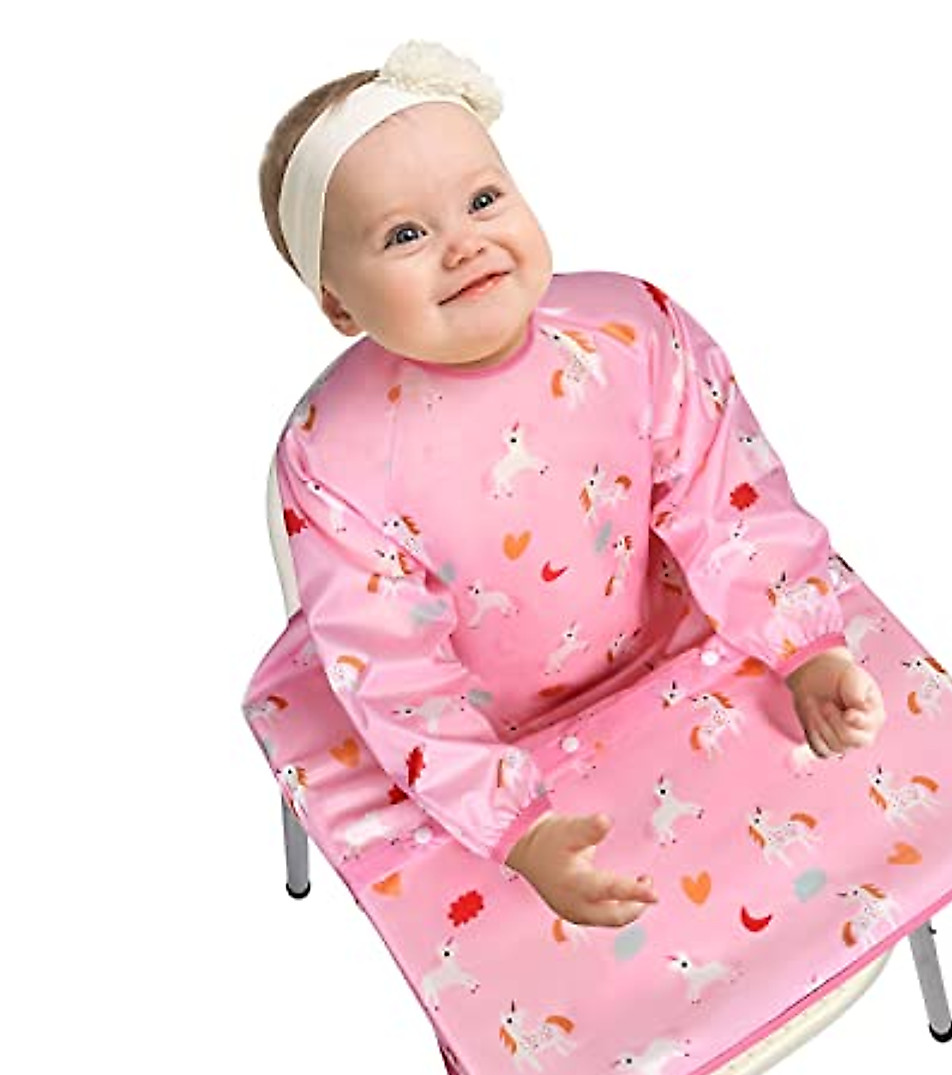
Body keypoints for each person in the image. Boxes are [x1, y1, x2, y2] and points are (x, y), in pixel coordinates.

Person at [257, 39, 886, 930]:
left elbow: (729, 499)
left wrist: (805, 645)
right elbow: (391, 668)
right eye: (404, 235)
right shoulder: (337, 457)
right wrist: (515, 826)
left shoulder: (630, 331)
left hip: (668, 652)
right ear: (338, 305)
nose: (464, 244)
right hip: (480, 741)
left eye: (483, 199)